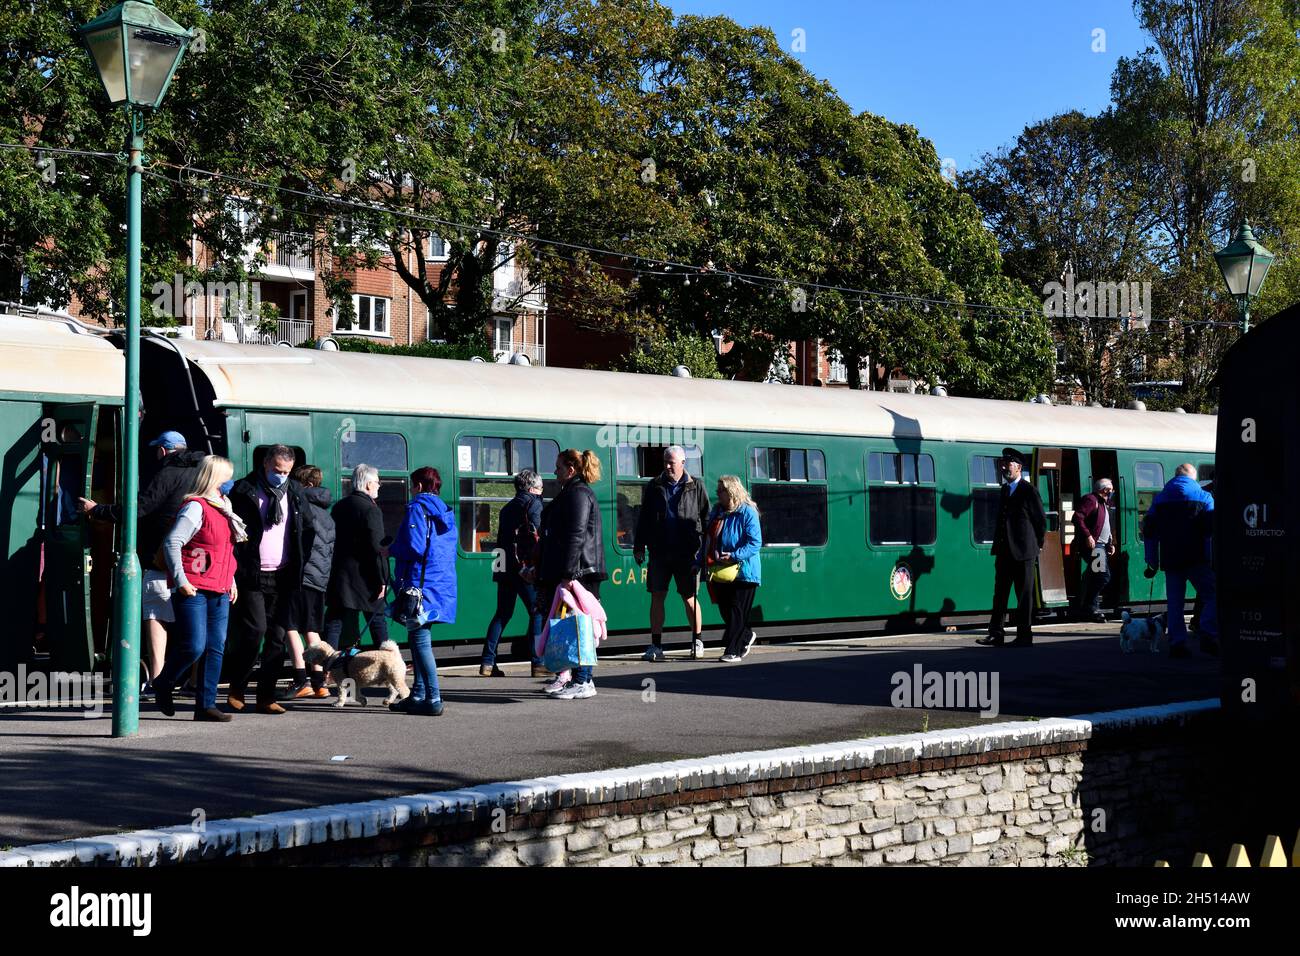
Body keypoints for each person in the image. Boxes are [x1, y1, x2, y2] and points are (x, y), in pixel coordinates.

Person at [78, 430, 205, 696]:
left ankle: (158, 677)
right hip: (198, 561)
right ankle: (195, 679)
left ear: (162, 451)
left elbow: (140, 508)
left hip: (162, 558)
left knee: (156, 615)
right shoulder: (204, 473)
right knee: (193, 622)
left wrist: (97, 510)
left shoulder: (166, 473)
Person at [154, 455, 246, 721]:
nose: (231, 482)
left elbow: (223, 550)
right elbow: (173, 542)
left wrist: (231, 579)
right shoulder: (196, 507)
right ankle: (164, 681)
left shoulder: (224, 506)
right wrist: (181, 580)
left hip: (219, 586)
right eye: (227, 477)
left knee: (216, 646)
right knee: (194, 645)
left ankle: (205, 705)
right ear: (215, 478)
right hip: (193, 587)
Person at [224, 444, 311, 714]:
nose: (281, 476)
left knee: (277, 637)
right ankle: (237, 688)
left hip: (284, 575)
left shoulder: (294, 492)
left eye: (286, 471)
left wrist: (299, 562)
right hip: (252, 574)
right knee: (254, 631)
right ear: (265, 464)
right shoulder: (243, 489)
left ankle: (266, 696)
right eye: (276, 470)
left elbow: (307, 529)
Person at [534, 448, 606, 699]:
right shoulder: (572, 492)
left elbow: (576, 535)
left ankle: (584, 681)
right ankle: (577, 678)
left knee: (579, 626)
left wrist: (568, 572)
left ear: (571, 470)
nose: (555, 471)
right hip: (575, 570)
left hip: (579, 572)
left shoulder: (578, 494)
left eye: (558, 467)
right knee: (572, 625)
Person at [388, 467, 456, 715]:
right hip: (439, 584)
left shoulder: (418, 508)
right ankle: (417, 695)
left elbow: (416, 548)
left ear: (418, 485)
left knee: (419, 641)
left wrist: (392, 550)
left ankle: (433, 698)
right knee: (417, 640)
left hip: (419, 584)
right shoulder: (446, 511)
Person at [634, 446, 711, 661]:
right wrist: (639, 546)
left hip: (687, 552)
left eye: (672, 462)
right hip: (659, 551)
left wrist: (705, 550)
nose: (667, 466)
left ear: (683, 463)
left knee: (689, 597)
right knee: (657, 596)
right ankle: (656, 645)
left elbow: (706, 520)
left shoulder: (696, 486)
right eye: (666, 462)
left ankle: (697, 640)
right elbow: (645, 518)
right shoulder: (654, 486)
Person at [1143, 463, 1217, 659]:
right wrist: (1211, 559)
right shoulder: (1204, 497)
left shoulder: (1160, 499)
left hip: (1171, 559)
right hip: (1197, 558)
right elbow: (1210, 533)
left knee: (1175, 603)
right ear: (1193, 477)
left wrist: (1151, 560)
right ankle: (1208, 634)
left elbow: (1149, 532)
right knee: (1213, 596)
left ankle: (1177, 644)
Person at [480, 469, 547, 678]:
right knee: (536, 612)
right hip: (525, 568)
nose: (542, 490)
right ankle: (538, 663)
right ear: (532, 487)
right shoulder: (534, 504)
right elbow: (539, 535)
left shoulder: (507, 508)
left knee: (502, 614)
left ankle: (487, 663)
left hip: (504, 566)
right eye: (541, 486)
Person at [977, 448, 1046, 648]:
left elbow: (1040, 521)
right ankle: (996, 633)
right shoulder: (1005, 490)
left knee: (1024, 596)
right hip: (1004, 551)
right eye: (1003, 463)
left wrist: (1037, 546)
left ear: (1018, 467)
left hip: (1024, 552)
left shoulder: (1028, 490)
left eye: (1008, 464)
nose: (1004, 467)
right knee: (999, 595)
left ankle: (1024, 636)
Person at [326, 464, 392, 654]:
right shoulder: (371, 510)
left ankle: (327, 665)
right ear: (369, 484)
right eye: (378, 482)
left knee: (335, 621)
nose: (379, 486)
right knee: (377, 619)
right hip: (366, 576)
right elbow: (377, 548)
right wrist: (383, 579)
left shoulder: (339, 506)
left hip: (340, 573)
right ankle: (388, 662)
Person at [696, 475, 762, 662]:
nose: (717, 494)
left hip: (744, 572)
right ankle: (747, 634)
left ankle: (732, 650)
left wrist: (733, 555)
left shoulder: (747, 512)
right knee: (725, 609)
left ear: (731, 491)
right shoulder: (717, 512)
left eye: (720, 491)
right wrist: (699, 562)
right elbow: (708, 540)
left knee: (735, 610)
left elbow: (754, 543)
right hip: (721, 570)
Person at [287, 465, 335, 698]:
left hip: (301, 576)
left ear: (304, 485)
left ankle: (300, 679)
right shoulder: (326, 512)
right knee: (312, 629)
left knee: (290, 626)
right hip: (319, 578)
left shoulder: (300, 506)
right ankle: (320, 683)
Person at [1073, 478, 1116, 623]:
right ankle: (1090, 607)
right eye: (1110, 489)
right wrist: (1088, 536)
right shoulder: (1091, 500)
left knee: (1096, 576)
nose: (1112, 492)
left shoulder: (1104, 503)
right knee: (1103, 576)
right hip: (1095, 546)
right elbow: (1077, 517)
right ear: (1105, 490)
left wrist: (1110, 542)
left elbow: (1105, 524)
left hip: (1102, 546)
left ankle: (1089, 607)